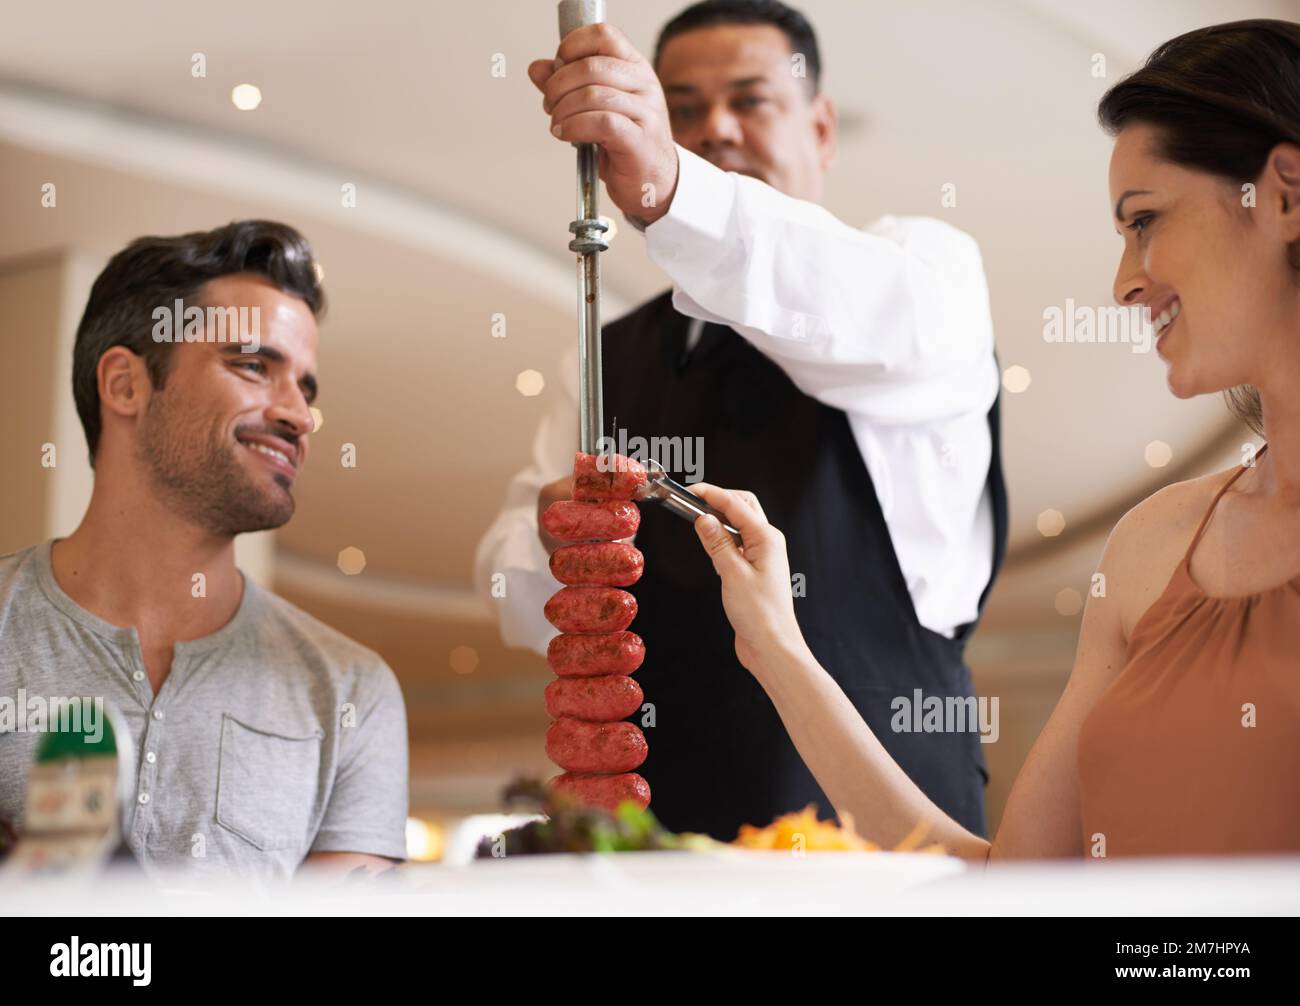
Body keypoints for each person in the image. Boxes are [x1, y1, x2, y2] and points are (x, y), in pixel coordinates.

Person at [687, 18, 1300, 859]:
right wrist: (777, 648)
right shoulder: (1152, 547)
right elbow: (1012, 883)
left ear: (1284, 196)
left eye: (1145, 219)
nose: (1124, 282)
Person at [476, 0, 1008, 839]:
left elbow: (866, 315)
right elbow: (508, 586)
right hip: (660, 846)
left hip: (890, 846)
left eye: (751, 99)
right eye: (682, 108)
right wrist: (549, 535)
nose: (715, 128)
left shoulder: (920, 273)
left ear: (822, 128)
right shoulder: (608, 356)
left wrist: (670, 184)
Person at [0, 221, 409, 882]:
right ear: (126, 385)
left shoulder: (351, 691)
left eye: (305, 389)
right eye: (254, 366)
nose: (299, 417)